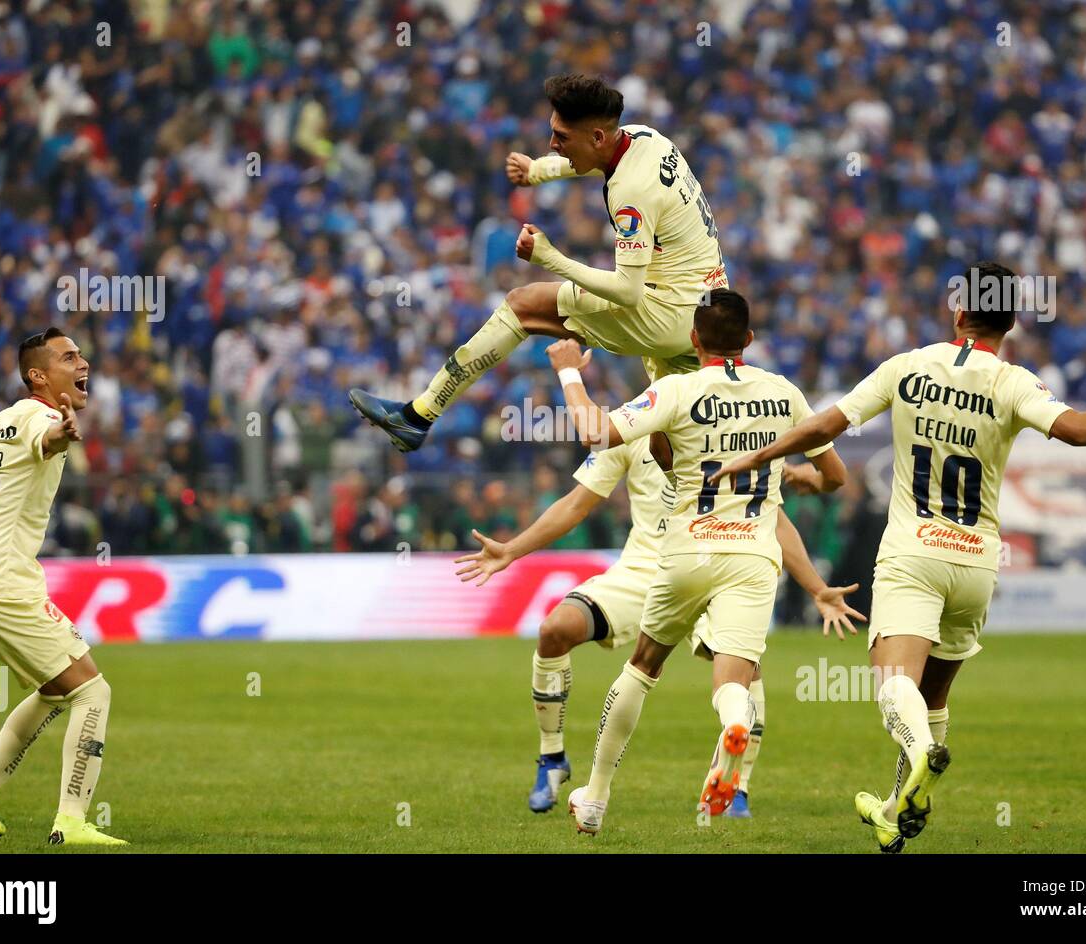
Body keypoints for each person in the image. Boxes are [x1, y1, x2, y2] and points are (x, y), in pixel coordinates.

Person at [707, 262, 1086, 852]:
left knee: (891, 686)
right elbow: (1079, 430)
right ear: (1008, 324)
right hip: (979, 562)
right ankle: (898, 808)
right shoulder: (1014, 382)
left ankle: (921, 756)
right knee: (931, 698)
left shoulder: (908, 366)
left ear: (958, 313)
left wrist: (763, 457)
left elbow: (825, 425)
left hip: (914, 553)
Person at [543, 288, 849, 834]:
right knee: (735, 681)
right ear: (749, 340)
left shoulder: (676, 390)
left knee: (642, 666)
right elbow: (835, 476)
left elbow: (593, 432)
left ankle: (594, 796)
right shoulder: (784, 394)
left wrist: (570, 372)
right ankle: (733, 729)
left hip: (688, 548)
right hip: (754, 556)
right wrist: (799, 477)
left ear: (692, 339)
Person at [454, 438, 862, 817]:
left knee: (735, 669)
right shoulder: (636, 420)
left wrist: (815, 586)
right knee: (554, 630)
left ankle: (735, 788)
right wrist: (512, 550)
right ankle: (552, 756)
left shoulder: (724, 420)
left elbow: (773, 516)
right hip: (643, 569)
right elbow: (577, 504)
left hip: (707, 565)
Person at [349, 72, 728, 452]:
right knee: (668, 448)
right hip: (709, 310)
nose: (552, 144)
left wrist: (550, 257)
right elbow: (597, 162)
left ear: (597, 136)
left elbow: (626, 292)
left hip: (671, 310)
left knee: (523, 305)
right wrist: (538, 170)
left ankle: (417, 416)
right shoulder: (645, 138)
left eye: (561, 138)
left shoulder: (630, 193)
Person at [0, 328, 128, 846]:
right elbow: (46, 441)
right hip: (5, 584)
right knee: (92, 690)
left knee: (53, 690)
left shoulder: (2, 420)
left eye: (81, 354)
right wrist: (63, 433)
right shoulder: (44, 417)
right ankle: (71, 821)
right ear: (39, 375)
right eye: (69, 357)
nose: (82, 361)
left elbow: (7, 472)